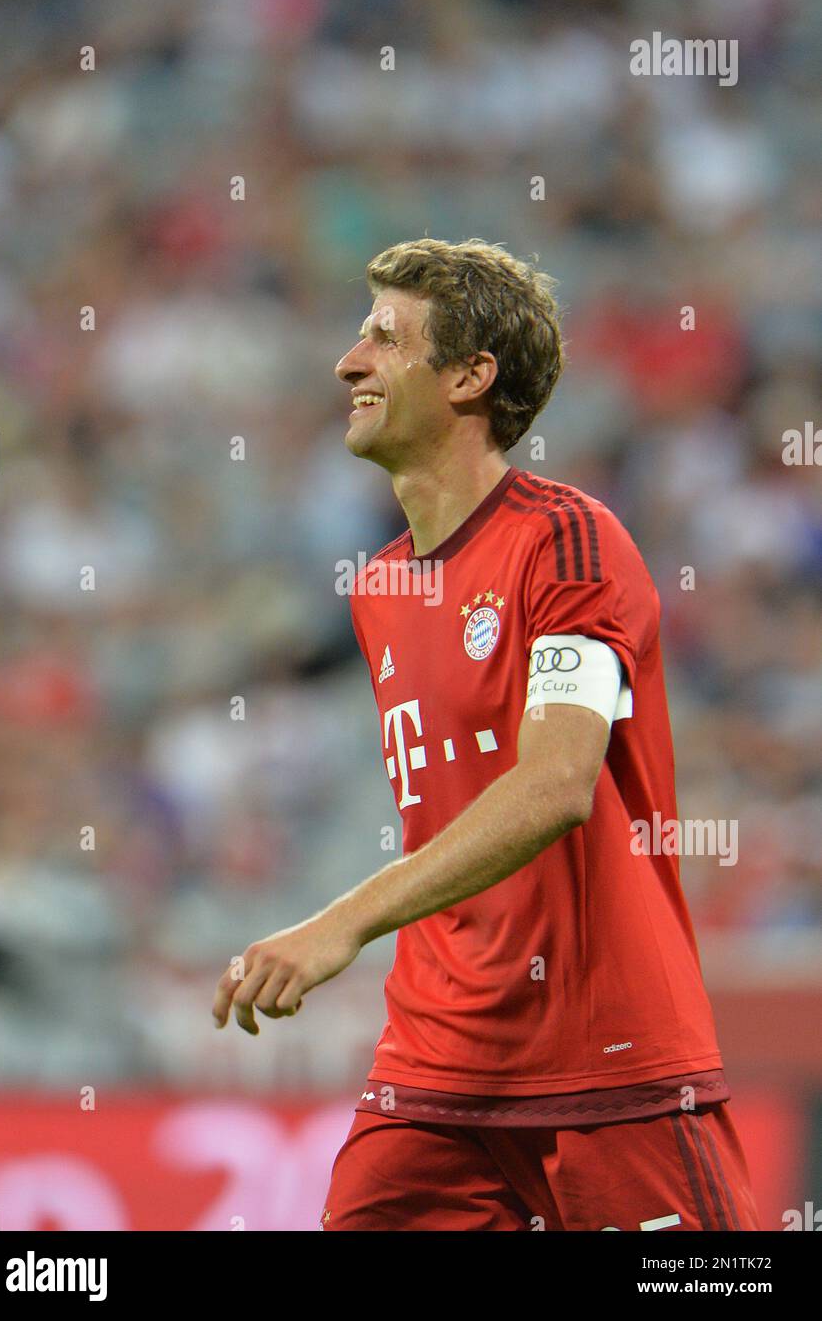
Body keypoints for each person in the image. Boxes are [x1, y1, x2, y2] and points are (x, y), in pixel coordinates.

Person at [212, 238, 759, 1232]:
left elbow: (554, 786)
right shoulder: (376, 587)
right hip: (434, 1070)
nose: (347, 361)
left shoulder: (565, 540)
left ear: (468, 376)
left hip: (607, 1063)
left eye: (384, 337)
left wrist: (339, 921)